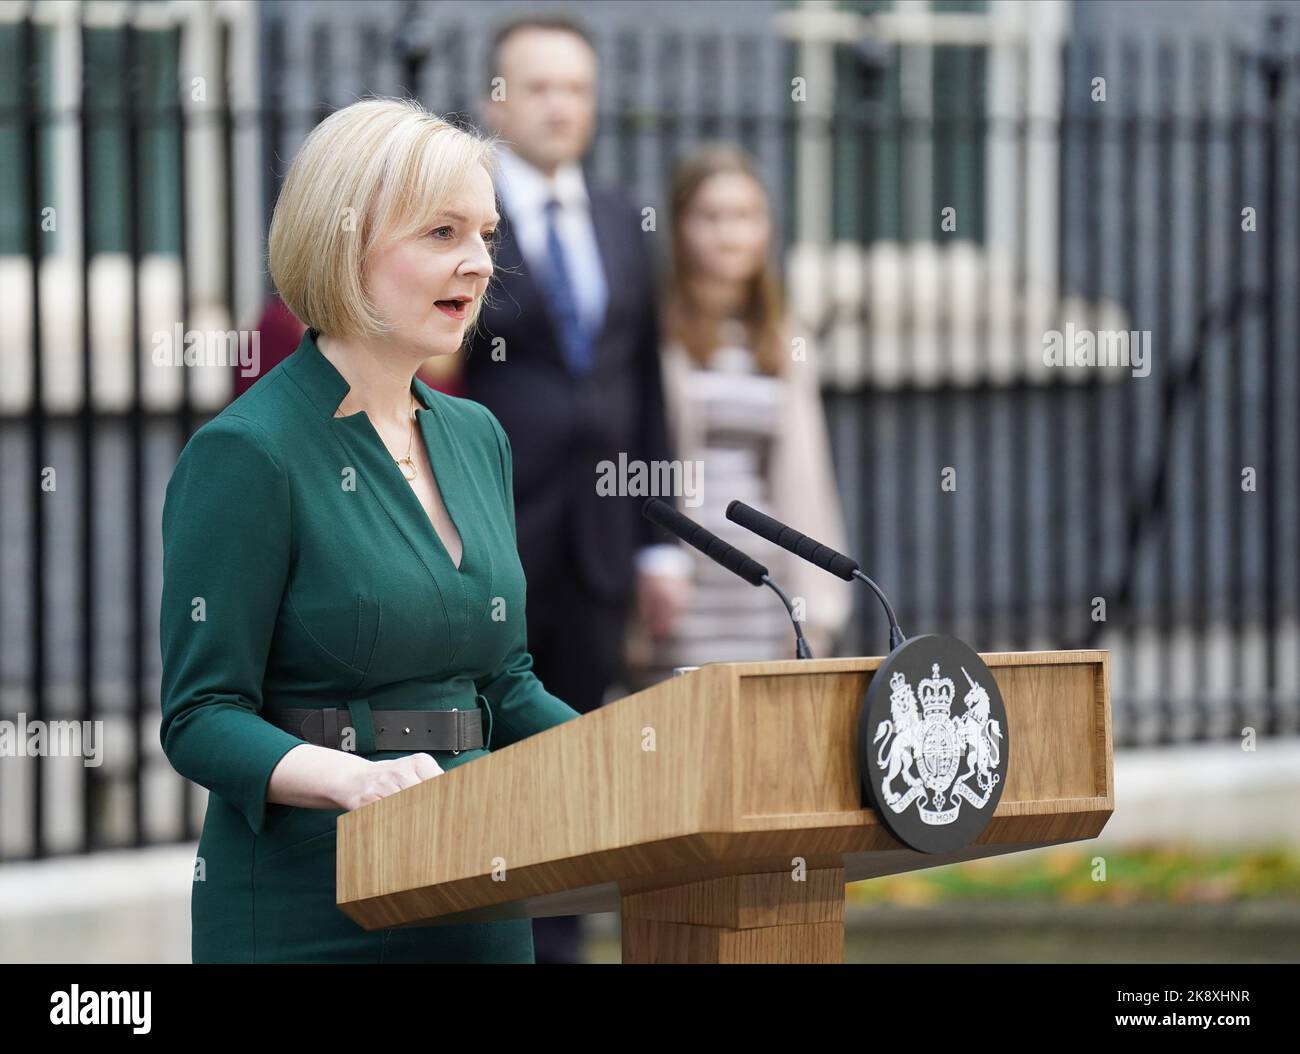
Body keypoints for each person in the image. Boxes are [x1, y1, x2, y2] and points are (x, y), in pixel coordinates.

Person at [158, 97, 580, 963]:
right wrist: (357, 780)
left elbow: (503, 685)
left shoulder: (475, 437)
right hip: (314, 902)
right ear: (343, 243)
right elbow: (201, 715)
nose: (477, 264)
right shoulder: (248, 454)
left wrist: (638, 755)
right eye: (441, 234)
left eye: (486, 235)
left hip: (479, 884)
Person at [465, 15, 690, 962]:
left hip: (600, 543)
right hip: (493, 532)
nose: (562, 106)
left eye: (578, 89)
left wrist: (659, 540)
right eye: (540, 86)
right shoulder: (464, 219)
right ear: (496, 101)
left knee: (577, 749)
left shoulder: (621, 219)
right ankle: (480, 931)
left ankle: (557, 940)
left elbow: (642, 382)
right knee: (484, 747)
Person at [625, 143, 853, 687]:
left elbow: (805, 476)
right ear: (679, 227)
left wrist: (814, 605)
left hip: (761, 580)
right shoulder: (652, 329)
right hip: (682, 580)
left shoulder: (782, 335)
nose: (729, 234)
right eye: (710, 217)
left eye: (746, 216)